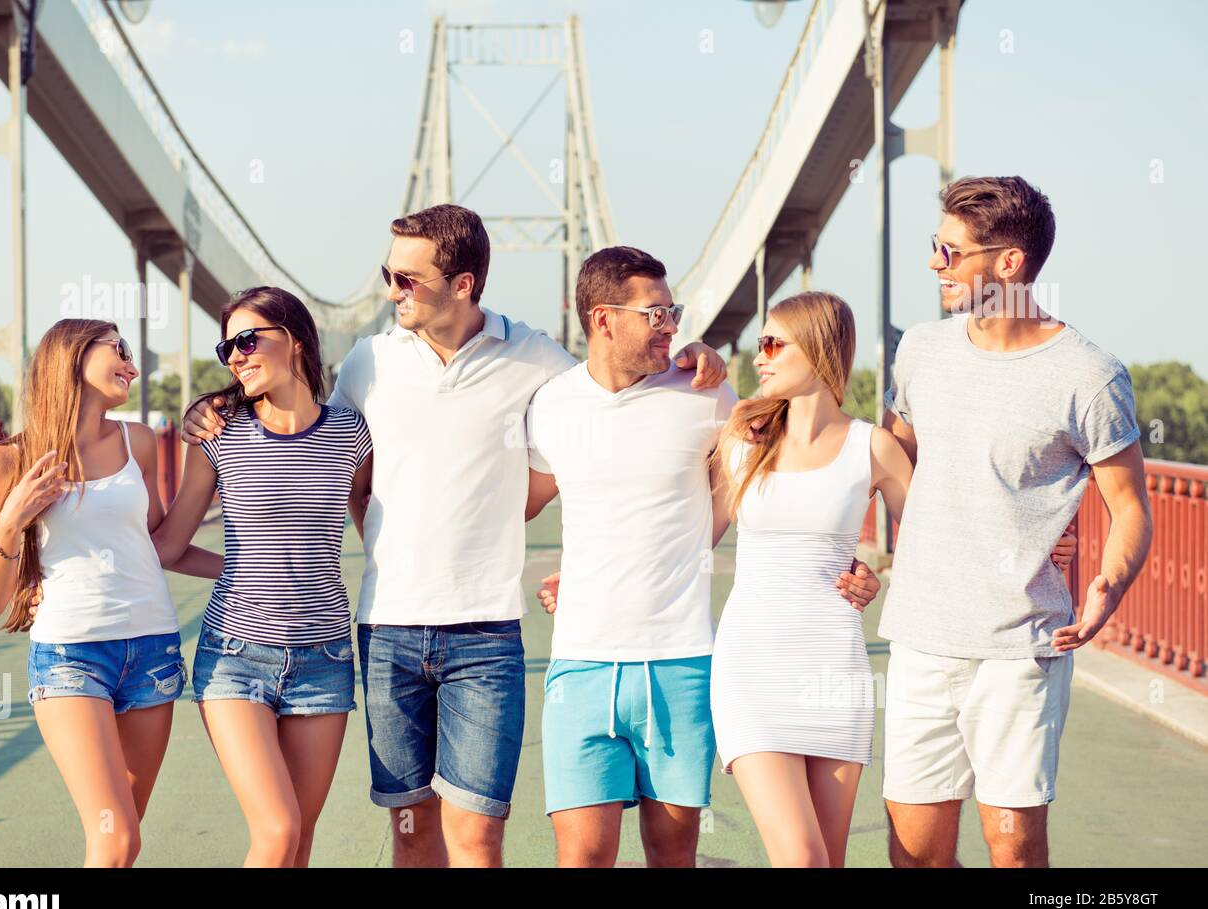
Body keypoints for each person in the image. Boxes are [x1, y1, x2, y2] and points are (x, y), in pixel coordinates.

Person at [180, 204, 729, 867]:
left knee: (476, 839)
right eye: (389, 274)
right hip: (387, 632)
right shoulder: (367, 362)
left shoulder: (535, 359)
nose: (391, 292)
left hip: (488, 635)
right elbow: (322, 444)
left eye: (407, 279)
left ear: (463, 283)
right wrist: (213, 404)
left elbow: (606, 381)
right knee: (413, 834)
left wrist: (692, 353)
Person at [526, 252, 883, 867]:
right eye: (656, 312)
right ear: (603, 318)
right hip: (579, 662)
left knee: (673, 853)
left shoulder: (709, 393)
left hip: (681, 661)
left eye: (675, 312)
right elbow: (520, 506)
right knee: (581, 857)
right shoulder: (550, 404)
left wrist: (853, 562)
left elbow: (787, 472)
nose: (670, 324)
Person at [879, 175, 1153, 867]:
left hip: (1020, 649)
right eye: (934, 247)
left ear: (1008, 262)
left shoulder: (1089, 375)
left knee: (1014, 847)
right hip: (920, 636)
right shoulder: (920, 350)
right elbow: (891, 457)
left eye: (948, 251)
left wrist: (1109, 585)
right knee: (914, 853)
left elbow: (1130, 508)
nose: (934, 264)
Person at [0, 319, 221, 867]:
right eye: (118, 350)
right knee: (115, 837)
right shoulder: (6, 463)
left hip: (153, 653)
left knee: (121, 841)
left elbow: (160, 545)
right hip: (71, 657)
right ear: (72, 355)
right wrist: (10, 524)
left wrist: (253, 570)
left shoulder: (137, 442)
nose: (132, 365)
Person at [152, 286, 372, 867]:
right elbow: (170, 547)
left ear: (296, 338)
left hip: (324, 658)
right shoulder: (218, 435)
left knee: (298, 844)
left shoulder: (353, 434)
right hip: (234, 656)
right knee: (276, 832)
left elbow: (375, 519)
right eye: (228, 348)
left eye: (249, 340)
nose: (236, 356)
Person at [709, 291, 911, 867]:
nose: (760, 357)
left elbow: (932, 544)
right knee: (803, 858)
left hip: (835, 672)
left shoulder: (873, 446)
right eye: (759, 344)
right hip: (752, 668)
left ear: (819, 351)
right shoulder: (742, 440)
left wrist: (880, 579)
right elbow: (689, 539)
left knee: (829, 861)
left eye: (774, 344)